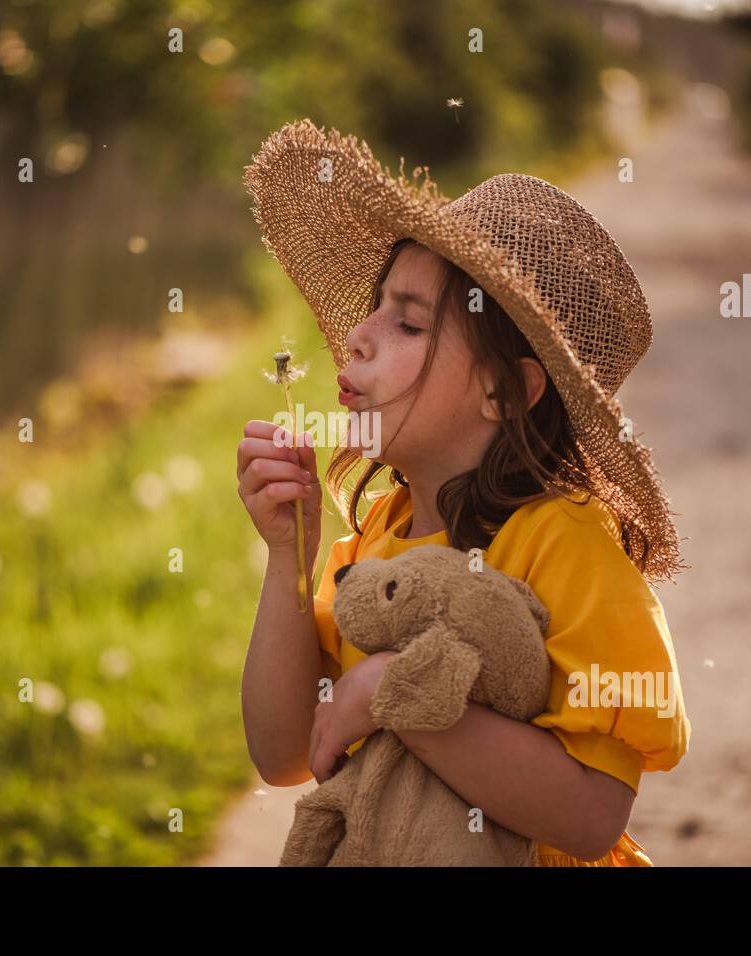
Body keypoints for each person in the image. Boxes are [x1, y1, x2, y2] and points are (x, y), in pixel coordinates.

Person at [238, 119, 690, 865]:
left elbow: (590, 816)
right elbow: (283, 753)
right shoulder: (381, 531)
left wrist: (396, 690)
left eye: (409, 323)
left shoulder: (565, 540)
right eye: (377, 305)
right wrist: (290, 550)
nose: (359, 335)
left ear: (505, 392)